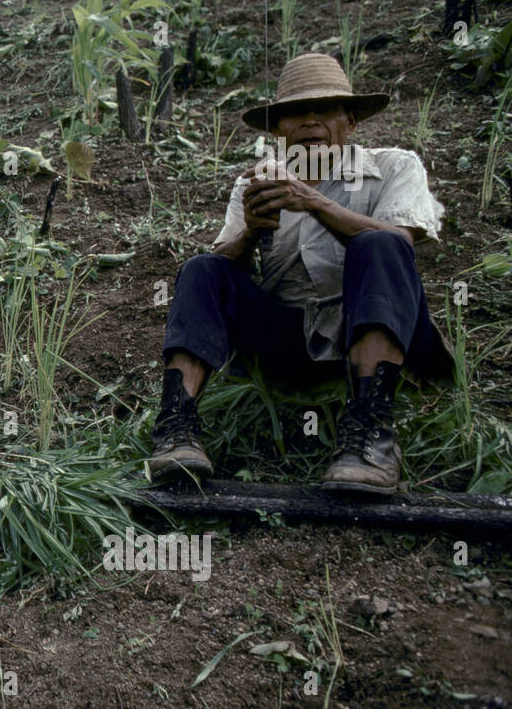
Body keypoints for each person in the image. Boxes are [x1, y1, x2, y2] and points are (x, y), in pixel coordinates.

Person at [148, 52, 451, 495]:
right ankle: (176, 427)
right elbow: (225, 266)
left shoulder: (394, 167)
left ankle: (371, 436)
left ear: (350, 121)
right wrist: (251, 232)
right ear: (278, 129)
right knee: (203, 269)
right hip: (286, 344)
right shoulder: (256, 183)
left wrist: (312, 202)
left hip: (368, 331)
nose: (311, 121)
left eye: (325, 110)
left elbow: (401, 242)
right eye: (295, 112)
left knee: (380, 242)